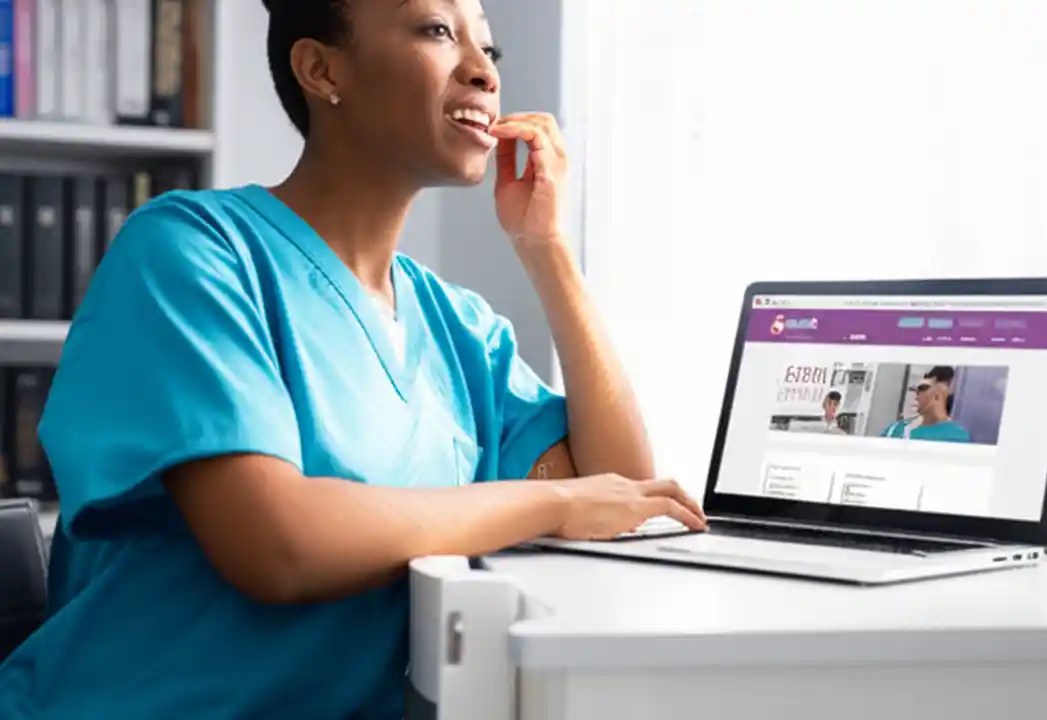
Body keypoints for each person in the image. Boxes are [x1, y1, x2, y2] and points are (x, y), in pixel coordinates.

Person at [0, 1, 706, 717]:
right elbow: (277, 547)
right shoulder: (189, 251)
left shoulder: (460, 328)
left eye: (490, 50)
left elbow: (622, 498)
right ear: (320, 68)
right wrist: (551, 503)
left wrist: (548, 251)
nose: (482, 72)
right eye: (437, 31)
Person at [880, 366, 972, 443]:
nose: (917, 396)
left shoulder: (958, 437)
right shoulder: (896, 429)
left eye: (922, 388)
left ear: (939, 393)